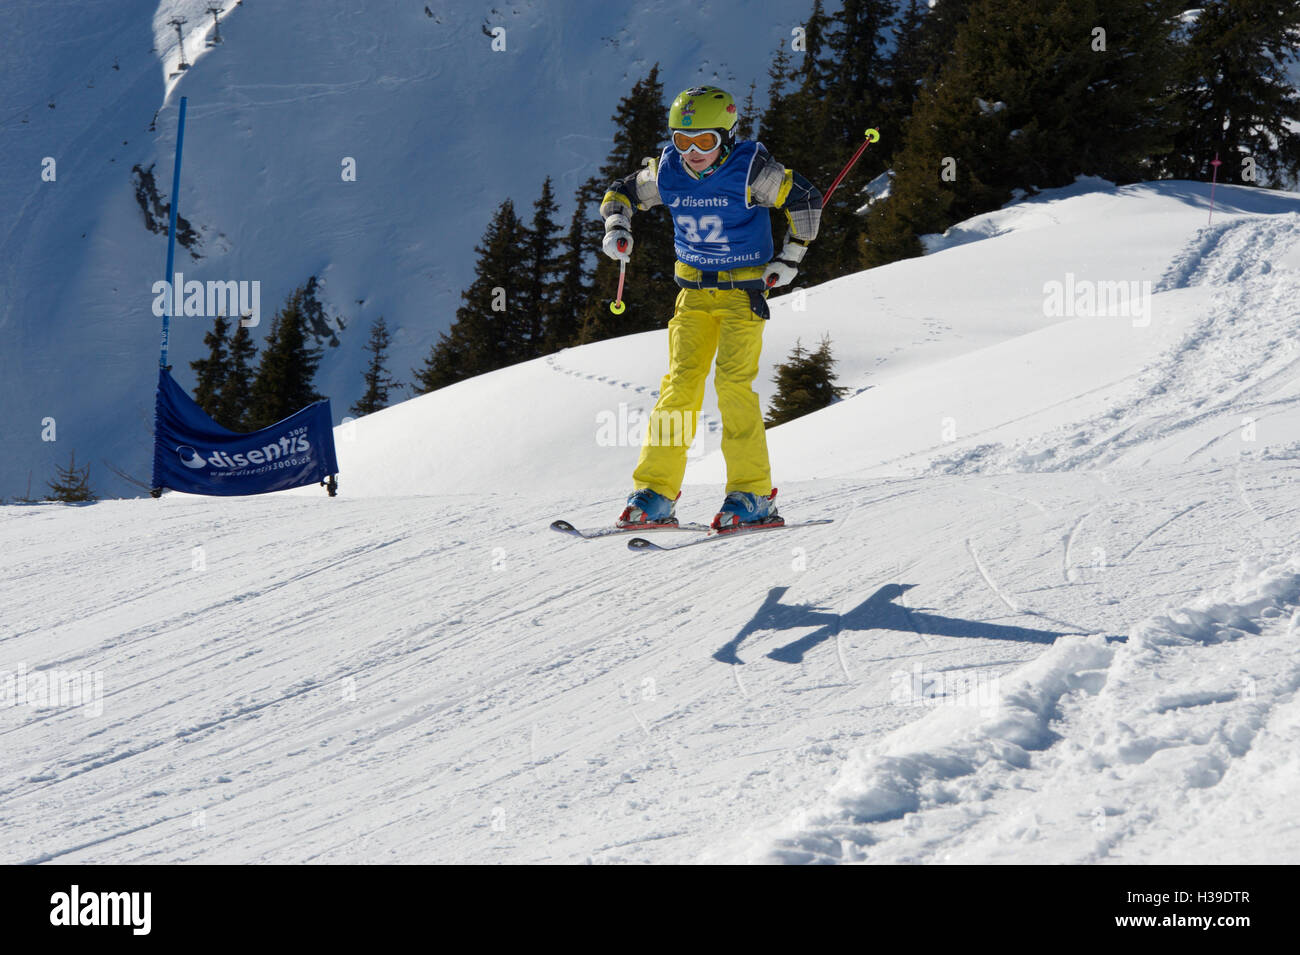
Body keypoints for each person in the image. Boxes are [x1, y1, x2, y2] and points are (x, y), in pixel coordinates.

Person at [599, 85, 823, 530]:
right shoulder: (667, 172)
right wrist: (617, 227)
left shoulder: (750, 171)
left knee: (734, 388)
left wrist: (791, 258)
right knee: (678, 388)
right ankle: (656, 494)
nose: (694, 152)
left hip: (743, 296)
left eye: (705, 141)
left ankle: (752, 494)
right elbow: (621, 192)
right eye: (683, 141)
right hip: (693, 297)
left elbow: (804, 198)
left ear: (727, 137)